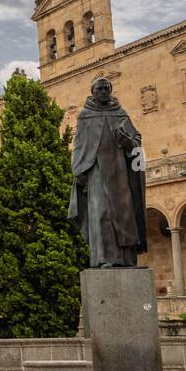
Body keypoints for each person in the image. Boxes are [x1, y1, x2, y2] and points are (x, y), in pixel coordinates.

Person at [68, 76, 147, 267]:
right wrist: (78, 170)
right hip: (96, 171)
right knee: (101, 213)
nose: (103, 92)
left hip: (119, 171)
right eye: (99, 89)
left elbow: (137, 139)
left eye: (106, 89)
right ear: (93, 93)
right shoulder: (85, 115)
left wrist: (127, 141)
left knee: (124, 213)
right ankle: (103, 258)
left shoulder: (120, 113)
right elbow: (79, 145)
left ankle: (127, 258)